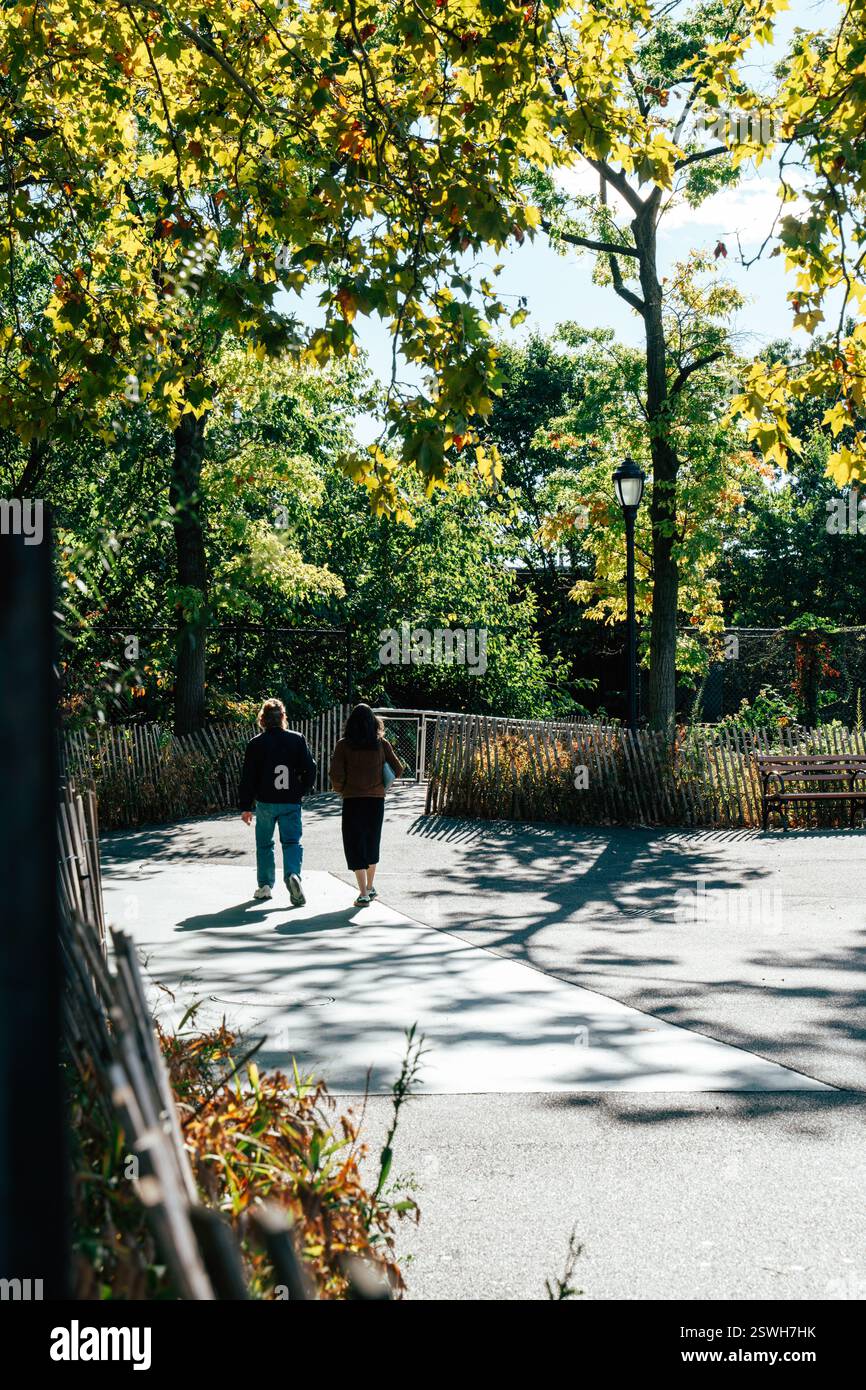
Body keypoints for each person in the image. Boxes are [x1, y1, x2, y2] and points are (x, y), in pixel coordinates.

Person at [238, 697, 316, 905]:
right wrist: (303, 788)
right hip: (290, 800)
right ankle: (293, 875)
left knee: (264, 844)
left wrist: (246, 806)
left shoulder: (255, 744)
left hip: (265, 802)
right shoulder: (297, 739)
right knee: (291, 842)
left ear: (262, 720)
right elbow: (311, 767)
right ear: (283, 718)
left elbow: (248, 778)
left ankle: (265, 885)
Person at [329, 704, 403, 906]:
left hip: (352, 800)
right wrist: (382, 783)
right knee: (372, 842)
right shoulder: (381, 743)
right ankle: (370, 887)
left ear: (350, 723)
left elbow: (336, 774)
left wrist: (341, 789)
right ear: (373, 723)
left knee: (355, 844)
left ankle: (362, 893)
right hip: (376, 800)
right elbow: (398, 768)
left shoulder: (343, 745)